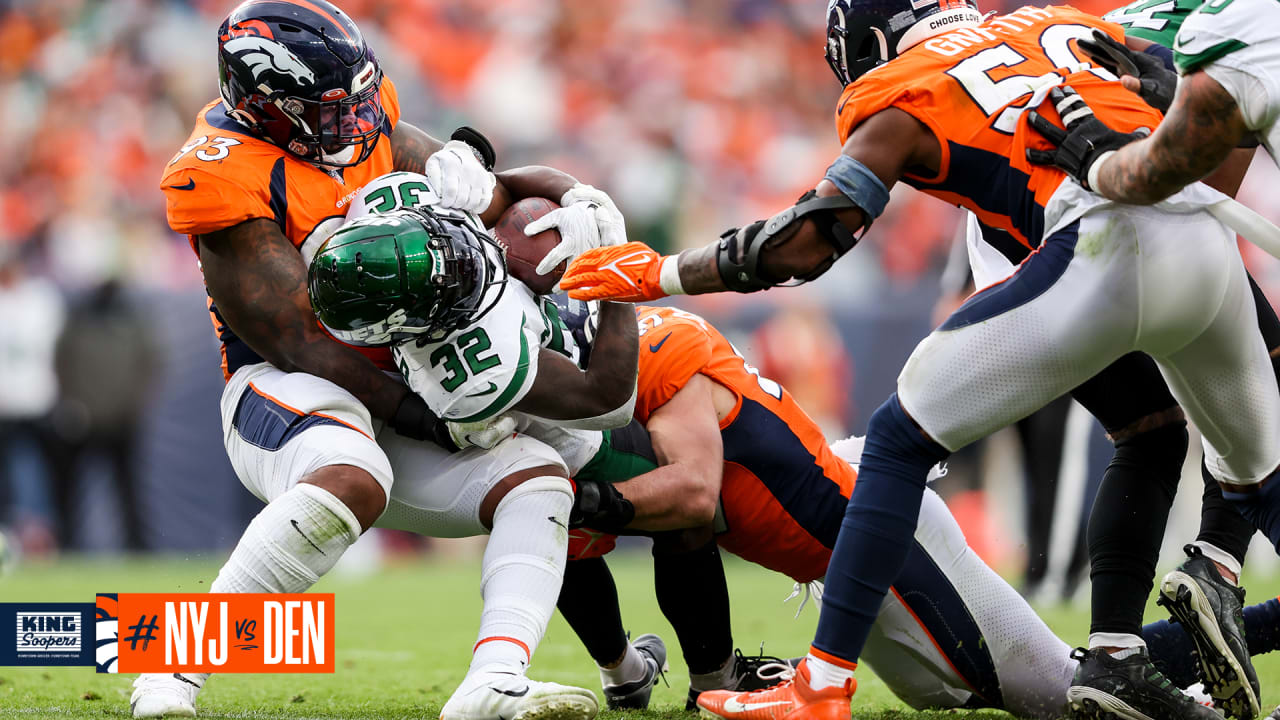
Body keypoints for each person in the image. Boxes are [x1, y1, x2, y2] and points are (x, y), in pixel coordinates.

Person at [555, 2, 1280, 718]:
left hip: (1100, 244)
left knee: (897, 442)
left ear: (871, 42)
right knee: (1236, 469)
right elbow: (1190, 78)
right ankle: (1151, 624)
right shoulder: (1048, 22)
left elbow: (808, 242)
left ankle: (822, 685)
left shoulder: (904, 88)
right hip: (1207, 243)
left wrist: (662, 273)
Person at [132, 3, 626, 719]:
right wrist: (427, 418)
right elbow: (297, 338)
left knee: (540, 480)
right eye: (330, 111)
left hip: (400, 379)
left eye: (359, 103)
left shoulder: (360, 115)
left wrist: (566, 198)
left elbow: (493, 198)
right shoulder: (220, 174)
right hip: (286, 387)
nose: (357, 126)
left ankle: (492, 685)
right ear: (265, 105)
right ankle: (172, 669)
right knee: (354, 475)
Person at [557, 303, 1280, 719]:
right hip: (837, 534)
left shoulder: (659, 355)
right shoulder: (598, 400)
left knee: (1073, 693)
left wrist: (587, 499)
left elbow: (692, 494)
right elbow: (669, 534)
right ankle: (718, 681)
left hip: (877, 528)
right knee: (947, 692)